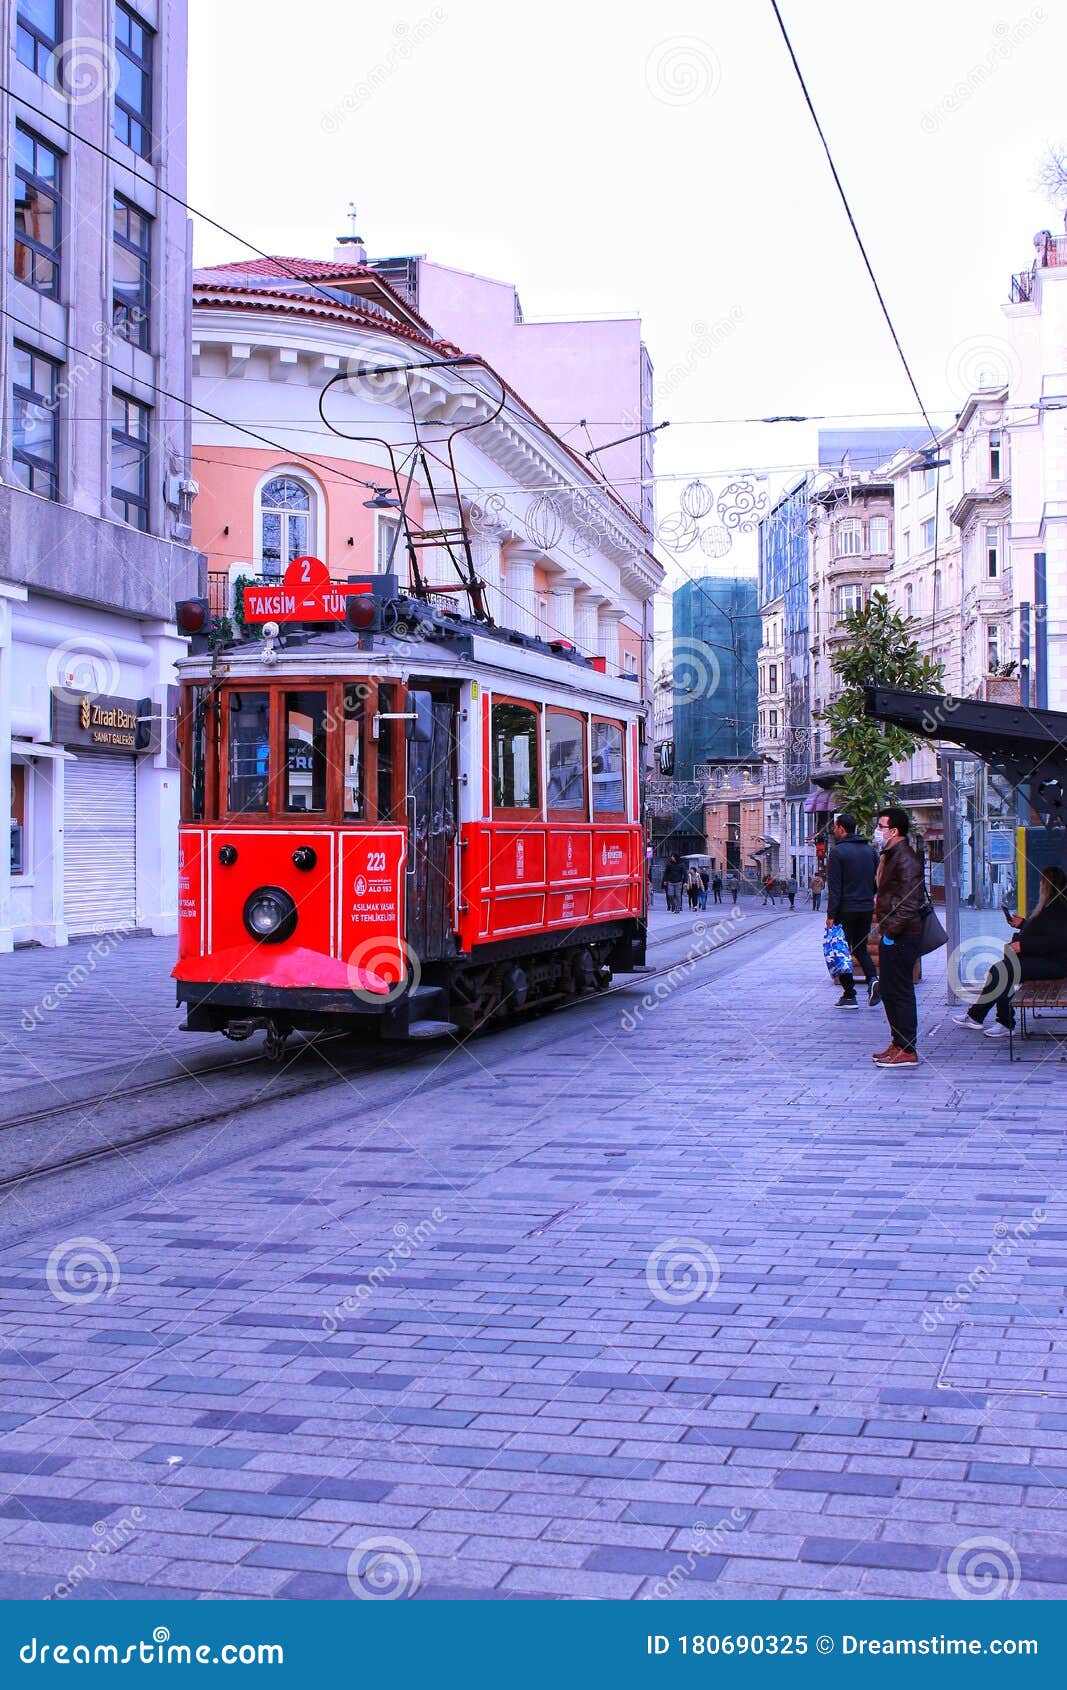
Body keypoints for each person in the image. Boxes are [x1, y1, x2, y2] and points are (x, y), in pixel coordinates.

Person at [954, 866, 1067, 1038]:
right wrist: (1023, 924)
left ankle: (1000, 1021)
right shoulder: (1055, 905)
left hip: (1056, 965)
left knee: (1002, 971)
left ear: (1046, 885)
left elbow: (1056, 941)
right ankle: (977, 1016)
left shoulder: (1058, 908)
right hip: (1050, 961)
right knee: (1002, 971)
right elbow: (1046, 932)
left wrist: (1024, 946)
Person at [872, 806, 926, 1069]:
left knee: (900, 991)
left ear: (894, 830)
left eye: (881, 827)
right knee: (890, 991)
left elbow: (909, 902)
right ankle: (898, 1042)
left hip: (902, 935)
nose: (877, 831)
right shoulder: (892, 855)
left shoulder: (906, 859)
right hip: (893, 932)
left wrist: (891, 932)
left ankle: (907, 1048)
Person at [825, 812, 881, 1010]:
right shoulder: (870, 851)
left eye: (835, 827)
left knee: (842, 951)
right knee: (860, 947)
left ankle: (849, 994)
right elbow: (876, 882)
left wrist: (831, 915)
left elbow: (835, 887)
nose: (834, 830)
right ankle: (873, 980)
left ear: (841, 828)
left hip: (845, 909)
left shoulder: (837, 853)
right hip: (865, 907)